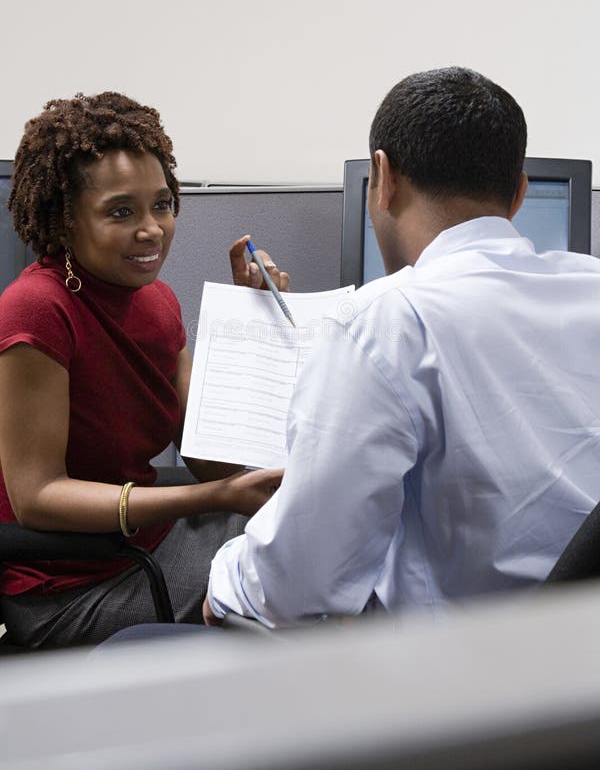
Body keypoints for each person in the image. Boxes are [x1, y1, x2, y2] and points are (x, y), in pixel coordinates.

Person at [203, 66, 600, 629]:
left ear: (382, 178)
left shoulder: (387, 321)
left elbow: (293, 591)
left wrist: (221, 584)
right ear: (517, 195)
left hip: (448, 692)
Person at [0, 91, 284, 647]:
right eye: (121, 211)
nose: (152, 229)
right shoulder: (36, 308)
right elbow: (37, 496)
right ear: (64, 222)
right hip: (71, 585)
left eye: (162, 204)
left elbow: (207, 458)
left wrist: (252, 327)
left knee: (316, 541)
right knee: (298, 578)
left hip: (147, 545)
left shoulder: (157, 302)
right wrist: (211, 500)